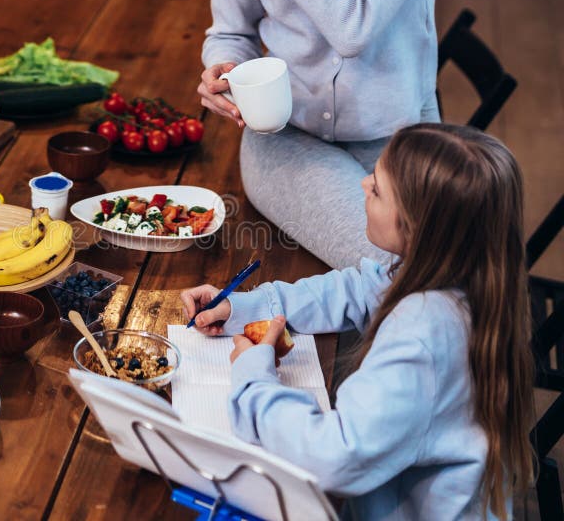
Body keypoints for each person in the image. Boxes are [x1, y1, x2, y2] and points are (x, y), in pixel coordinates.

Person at [181, 124, 534, 520]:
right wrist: (244, 309)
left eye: (378, 189)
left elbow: (334, 457)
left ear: (416, 226)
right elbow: (356, 289)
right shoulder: (464, 272)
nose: (363, 183)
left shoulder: (426, 336)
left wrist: (253, 380)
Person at [198, 0, 441, 270]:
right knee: (395, 271)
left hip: (400, 140)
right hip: (288, 139)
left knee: (432, 273)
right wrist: (226, 69)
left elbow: (353, 27)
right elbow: (231, 32)